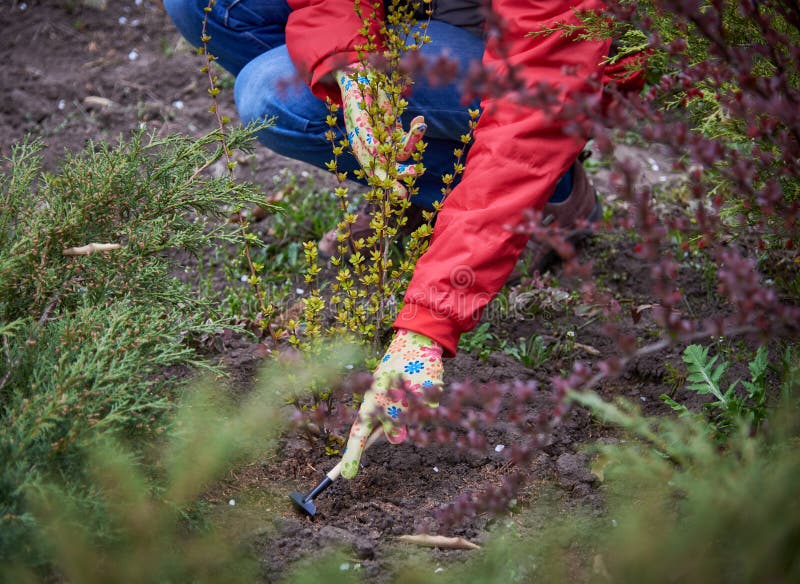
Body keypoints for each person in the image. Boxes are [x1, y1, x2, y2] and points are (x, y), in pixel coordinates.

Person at [164, 0, 643, 479]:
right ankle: (430, 188)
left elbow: (537, 110)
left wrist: (428, 324)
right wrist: (350, 66)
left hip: (551, 60)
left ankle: (549, 197)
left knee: (272, 94)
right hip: (429, 20)